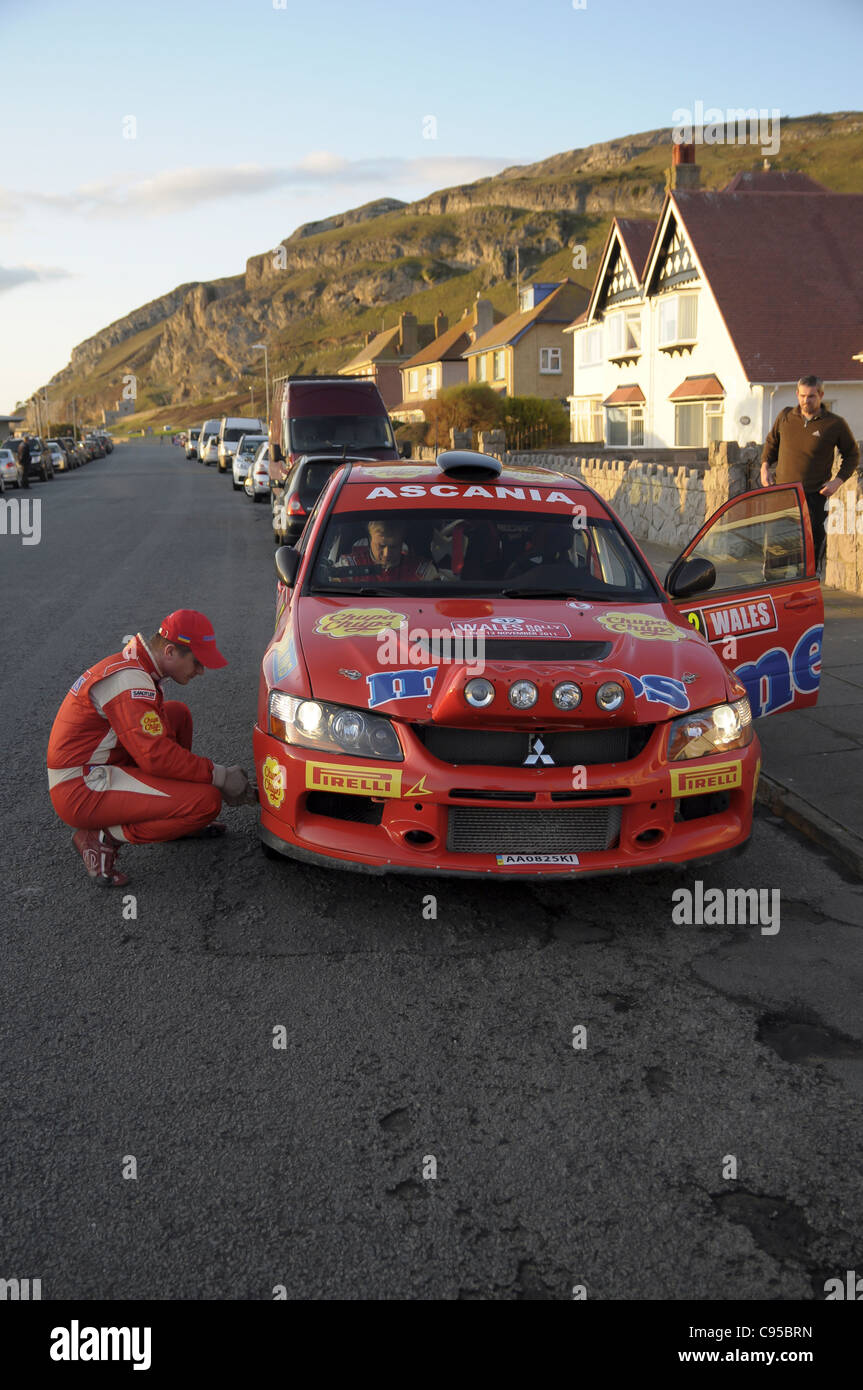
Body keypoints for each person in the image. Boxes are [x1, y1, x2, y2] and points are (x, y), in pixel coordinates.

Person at [47, 610, 256, 887]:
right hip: (80, 788)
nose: (201, 671)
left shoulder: (136, 666)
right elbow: (156, 758)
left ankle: (175, 815)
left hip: (96, 766)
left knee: (177, 714)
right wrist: (219, 777)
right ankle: (100, 838)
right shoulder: (130, 682)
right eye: (197, 662)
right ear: (170, 651)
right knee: (206, 802)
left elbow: (154, 749)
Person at [761, 376, 860, 570]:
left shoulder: (834, 424)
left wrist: (837, 482)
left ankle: (805, 596)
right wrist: (764, 466)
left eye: (812, 396)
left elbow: (852, 455)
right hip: (782, 496)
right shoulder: (785, 416)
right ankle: (776, 592)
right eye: (803, 395)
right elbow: (771, 443)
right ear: (797, 394)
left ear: (821, 395)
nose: (807, 400)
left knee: (808, 557)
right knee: (776, 554)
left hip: (813, 499)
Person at [337, 518, 439, 581]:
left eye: (394, 546)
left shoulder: (423, 571)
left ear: (402, 542)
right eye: (381, 546)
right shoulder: (349, 566)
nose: (387, 554)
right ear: (370, 540)